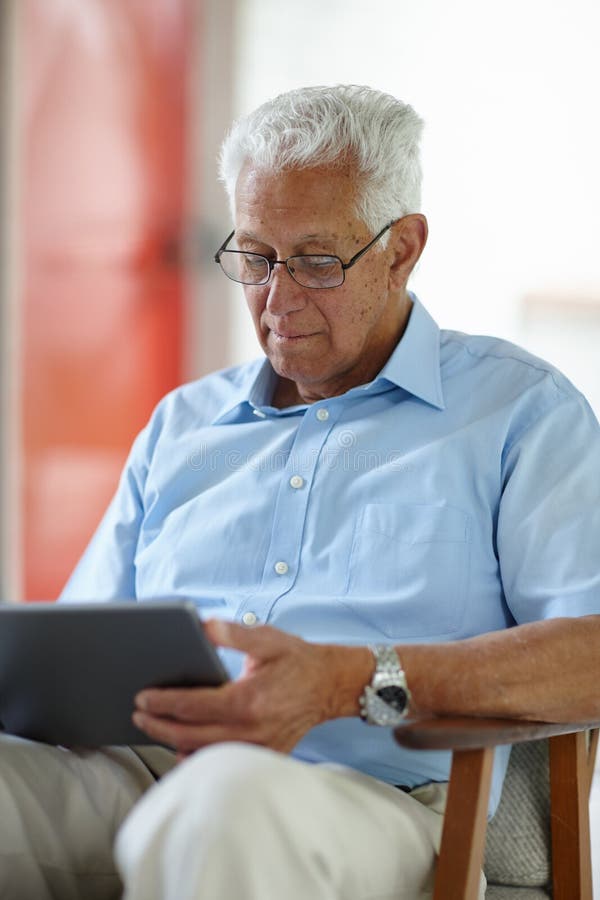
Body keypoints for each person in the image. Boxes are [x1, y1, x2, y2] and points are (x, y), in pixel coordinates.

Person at [2, 84, 599, 900]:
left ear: (402, 249)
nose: (276, 300)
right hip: (140, 773)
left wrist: (349, 679)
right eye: (253, 257)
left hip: (376, 802)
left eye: (317, 261)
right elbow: (68, 658)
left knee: (220, 809)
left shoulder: (518, 413)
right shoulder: (184, 425)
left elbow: (592, 651)